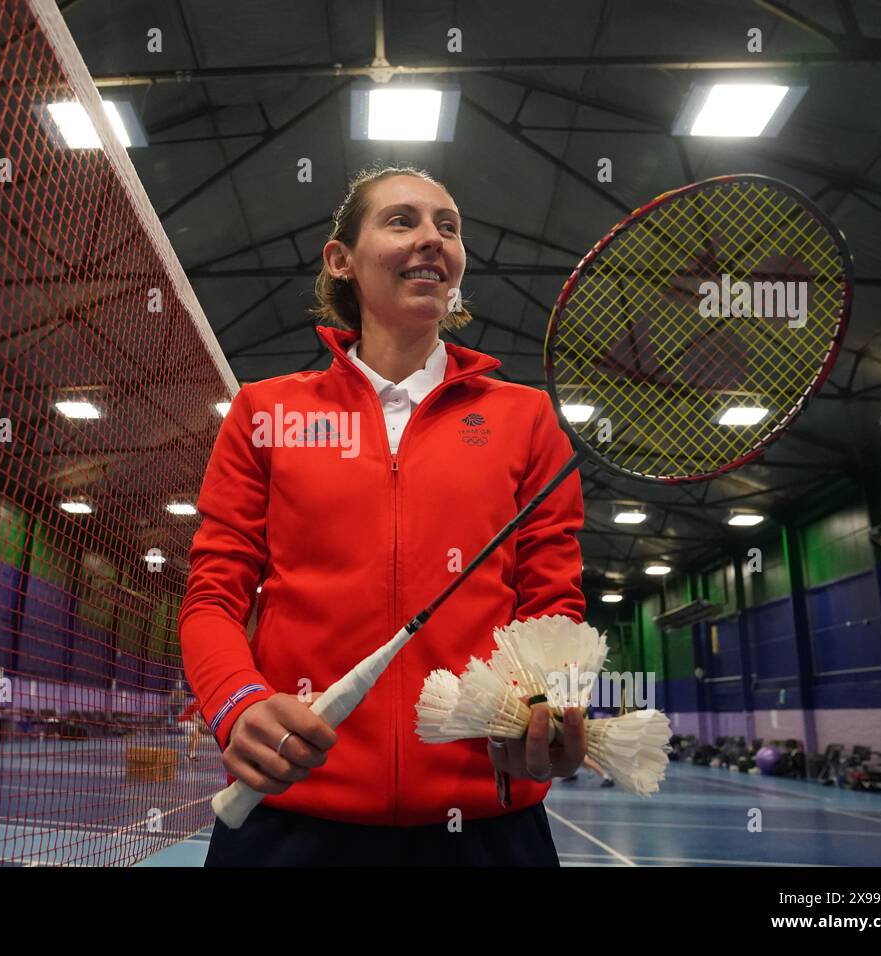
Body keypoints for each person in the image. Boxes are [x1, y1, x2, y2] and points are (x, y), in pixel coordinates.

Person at [180, 165, 587, 866]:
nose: (433, 238)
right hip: (289, 816)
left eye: (449, 226)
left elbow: (552, 606)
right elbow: (214, 594)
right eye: (402, 221)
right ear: (341, 259)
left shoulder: (525, 418)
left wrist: (548, 707)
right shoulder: (267, 412)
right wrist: (236, 701)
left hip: (486, 826)